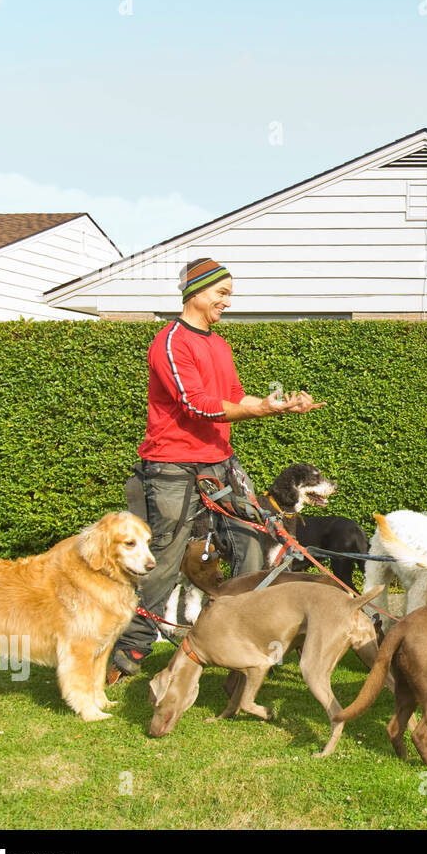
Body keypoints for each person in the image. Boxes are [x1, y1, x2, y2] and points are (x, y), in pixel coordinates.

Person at [108, 257, 324, 684]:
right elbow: (196, 405)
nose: (227, 300)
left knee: (252, 541)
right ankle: (126, 652)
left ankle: (243, 644)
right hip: (170, 464)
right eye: (221, 293)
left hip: (219, 461)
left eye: (229, 293)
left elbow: (234, 398)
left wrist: (277, 407)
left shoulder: (220, 345)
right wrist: (260, 409)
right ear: (194, 293)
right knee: (165, 561)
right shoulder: (171, 342)